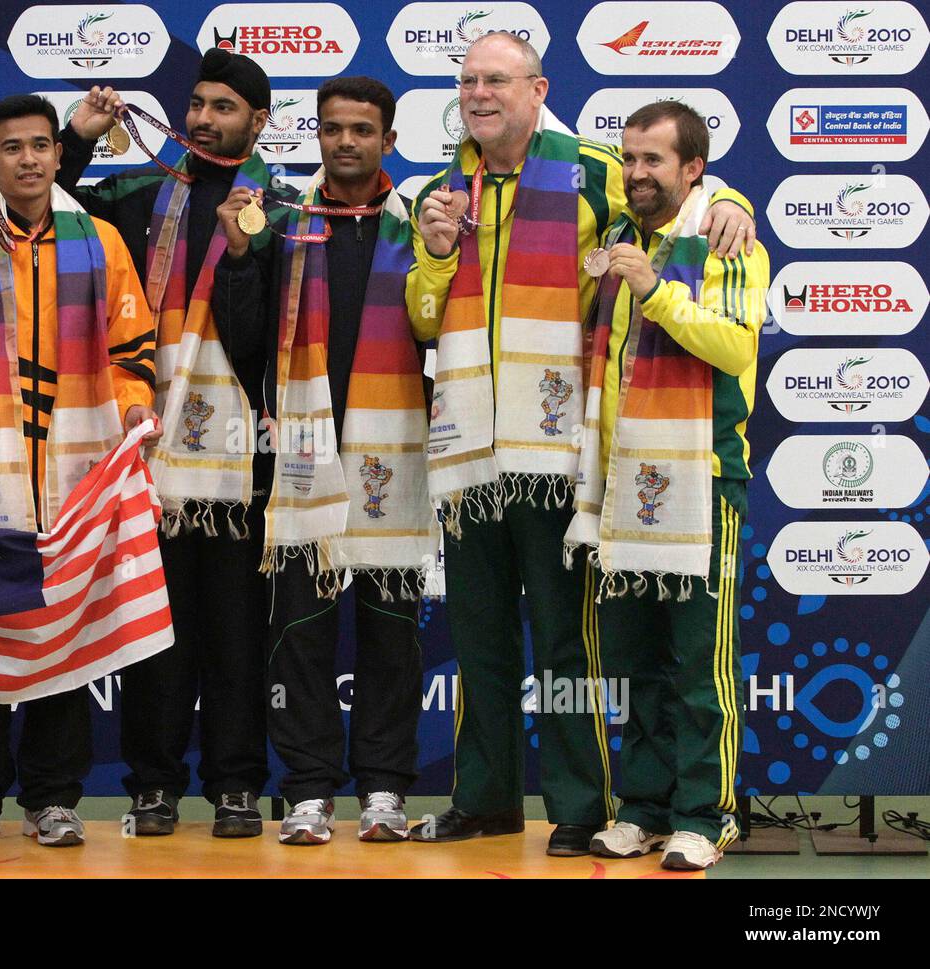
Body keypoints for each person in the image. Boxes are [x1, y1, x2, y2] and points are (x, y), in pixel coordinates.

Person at [407, 31, 757, 856]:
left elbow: (673, 197)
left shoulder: (596, 168)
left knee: (572, 644)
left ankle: (577, 803)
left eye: (497, 79)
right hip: (471, 460)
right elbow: (423, 316)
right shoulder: (437, 191)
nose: (479, 93)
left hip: (562, 454)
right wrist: (432, 250)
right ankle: (484, 796)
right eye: (468, 80)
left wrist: (732, 201)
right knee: (479, 636)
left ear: (538, 90)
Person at [55, 50, 296, 838]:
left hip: (241, 458)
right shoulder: (137, 193)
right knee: (153, 631)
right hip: (142, 452)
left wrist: (242, 252)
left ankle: (235, 785)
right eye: (196, 103)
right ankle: (153, 785)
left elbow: (268, 340)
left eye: (223, 107)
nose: (202, 118)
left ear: (257, 123)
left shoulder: (286, 210)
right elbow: (42, 212)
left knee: (235, 634)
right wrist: (79, 137)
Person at [0, 94, 158, 847]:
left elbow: (132, 343)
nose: (27, 160)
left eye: (41, 146)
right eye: (10, 148)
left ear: (58, 153)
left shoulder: (101, 239)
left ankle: (53, 796)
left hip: (75, 465)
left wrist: (135, 404)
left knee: (67, 631)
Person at [212, 77, 438, 844]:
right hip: (303, 456)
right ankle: (307, 789)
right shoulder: (280, 220)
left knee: (389, 635)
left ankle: (383, 788)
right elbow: (243, 343)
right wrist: (241, 260)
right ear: (315, 136)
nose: (346, 142)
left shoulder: (419, 225)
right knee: (300, 633)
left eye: (362, 131)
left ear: (390, 141)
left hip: (393, 456)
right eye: (334, 129)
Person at [565, 101, 769, 870]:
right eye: (630, 159)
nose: (637, 173)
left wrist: (656, 289)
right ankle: (643, 808)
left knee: (698, 661)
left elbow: (733, 344)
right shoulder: (621, 234)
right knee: (637, 659)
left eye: (654, 160)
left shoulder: (729, 238)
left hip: (704, 477)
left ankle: (705, 815)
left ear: (694, 170)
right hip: (624, 483)